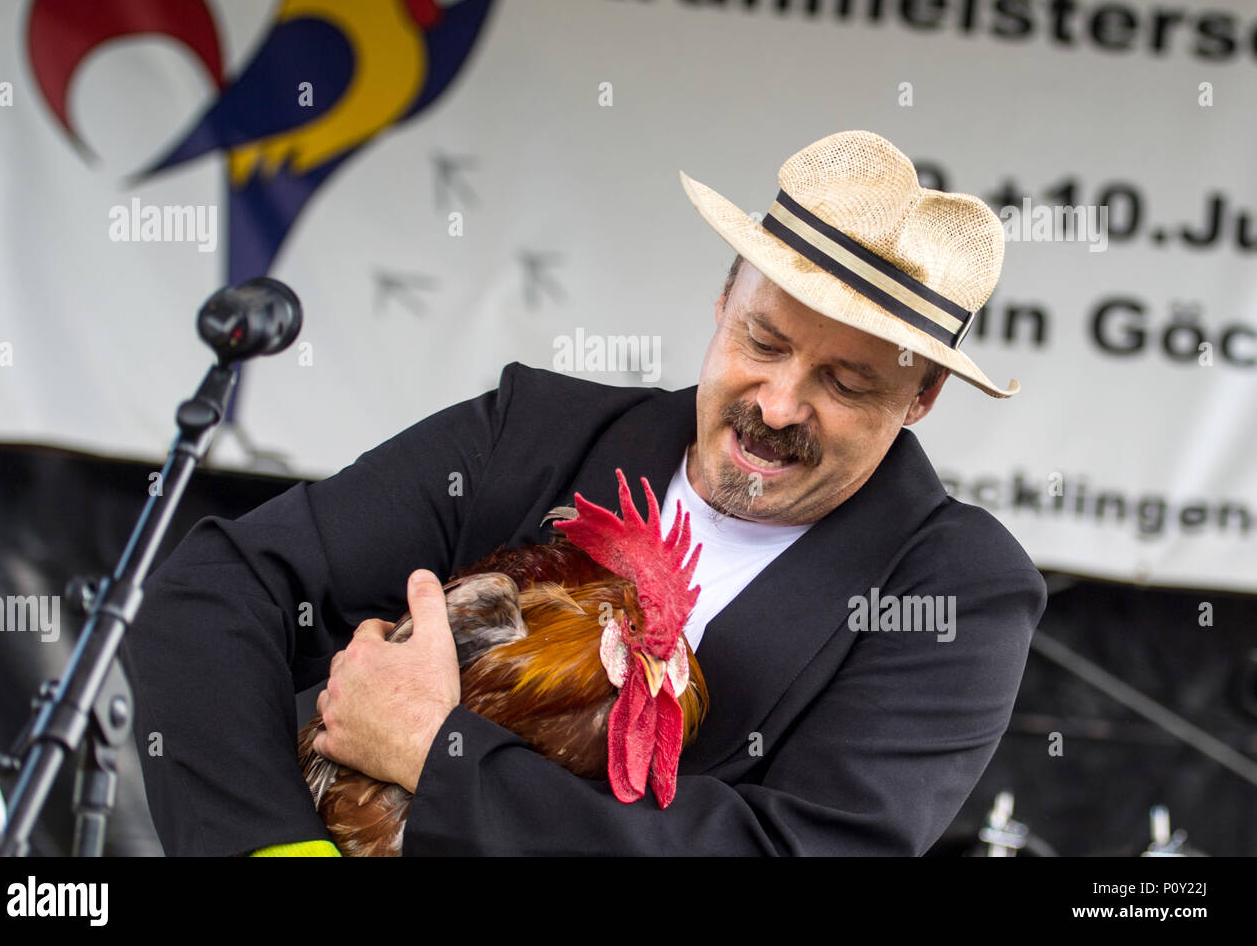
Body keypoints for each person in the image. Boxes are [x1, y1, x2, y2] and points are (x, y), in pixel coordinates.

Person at [123, 129, 1046, 856]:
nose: (777, 402)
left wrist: (435, 754)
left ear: (921, 396)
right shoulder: (538, 430)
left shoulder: (955, 590)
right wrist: (278, 852)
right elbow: (216, 595)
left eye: (844, 384)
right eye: (763, 342)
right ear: (724, 298)